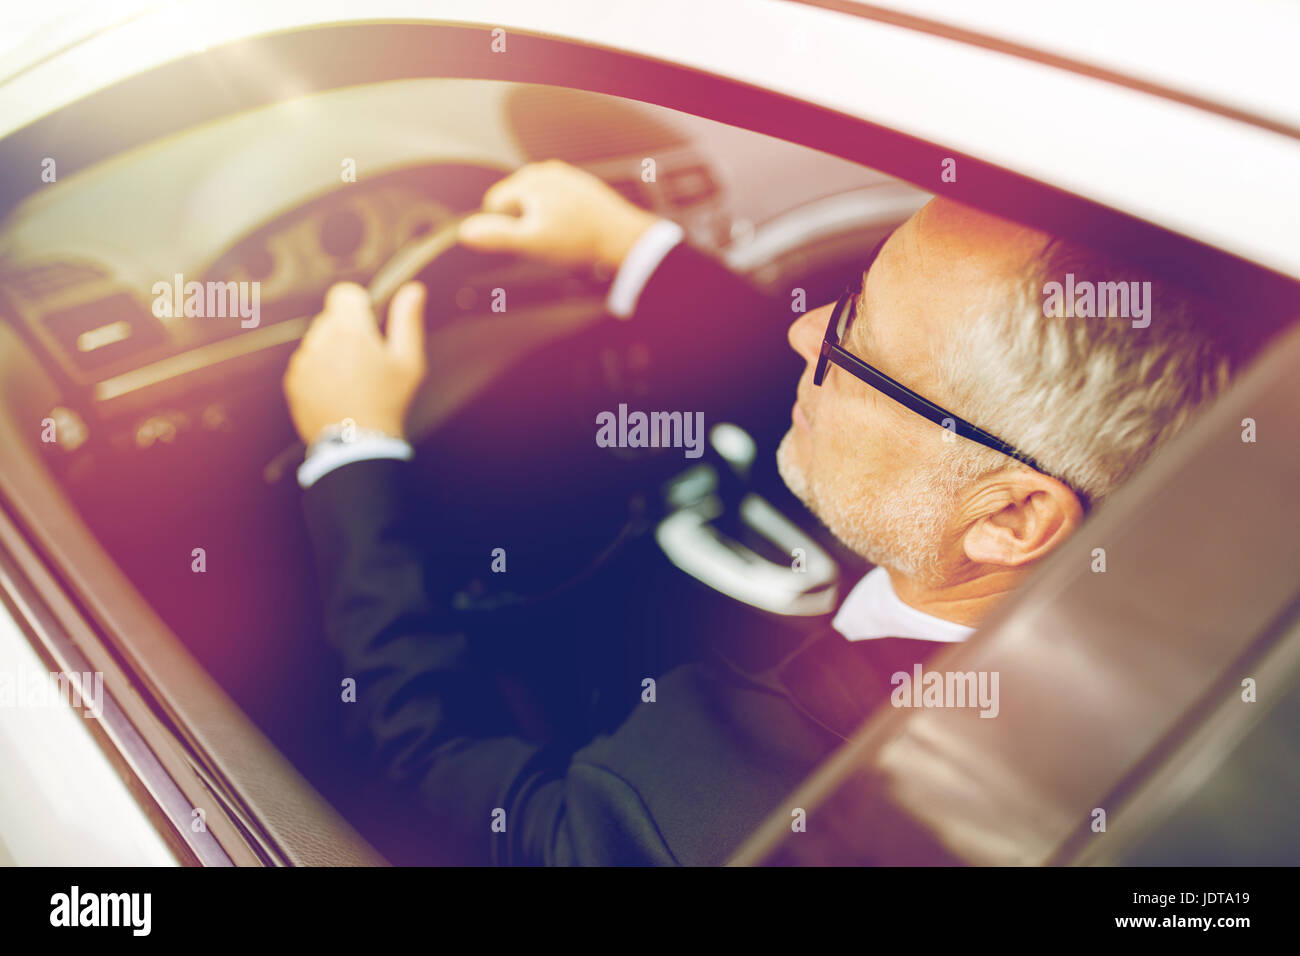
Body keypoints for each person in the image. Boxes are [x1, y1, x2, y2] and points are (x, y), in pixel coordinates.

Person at [282, 160, 1254, 865]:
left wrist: (348, 446)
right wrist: (629, 247)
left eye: (850, 333)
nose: (799, 331)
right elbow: (878, 412)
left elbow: (435, 759)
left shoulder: (724, 801)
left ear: (1009, 520)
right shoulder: (1220, 596)